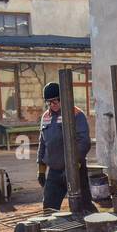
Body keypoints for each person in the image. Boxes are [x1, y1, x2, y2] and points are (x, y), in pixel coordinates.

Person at [36, 81, 90, 211]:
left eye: (55, 102)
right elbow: (43, 143)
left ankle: (94, 228)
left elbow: (84, 142)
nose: (52, 105)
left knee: (83, 208)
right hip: (54, 172)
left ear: (62, 99)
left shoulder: (76, 114)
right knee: (49, 208)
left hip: (75, 170)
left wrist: (73, 167)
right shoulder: (45, 117)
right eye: (49, 102)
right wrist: (41, 169)